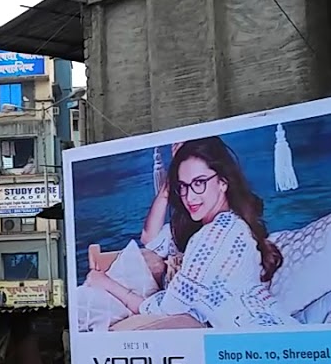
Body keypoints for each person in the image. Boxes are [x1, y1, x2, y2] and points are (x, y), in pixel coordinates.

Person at [87, 136, 294, 328]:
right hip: (267, 335)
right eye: (183, 186)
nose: (189, 196)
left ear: (223, 182)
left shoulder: (214, 237)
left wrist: (106, 283)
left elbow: (163, 310)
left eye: (199, 183)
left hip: (258, 340)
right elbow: (149, 239)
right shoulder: (231, 224)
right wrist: (169, 186)